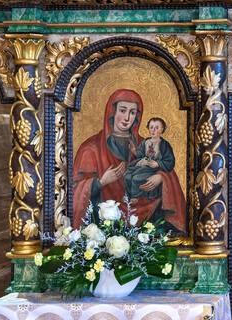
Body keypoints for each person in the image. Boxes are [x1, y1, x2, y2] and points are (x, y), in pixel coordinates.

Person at [71, 90, 186, 232]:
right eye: (122, 110)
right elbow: (75, 190)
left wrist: (161, 177)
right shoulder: (91, 148)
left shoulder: (147, 145)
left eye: (132, 112)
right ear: (112, 112)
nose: (127, 118)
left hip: (147, 221)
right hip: (105, 224)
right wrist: (101, 182)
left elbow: (168, 171)